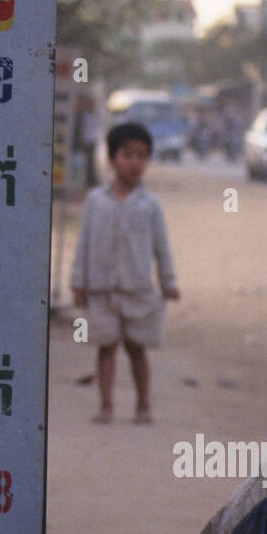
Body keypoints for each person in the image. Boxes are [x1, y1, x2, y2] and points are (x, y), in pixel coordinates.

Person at [70, 122, 180, 424]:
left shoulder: (150, 205)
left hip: (137, 289)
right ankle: (106, 406)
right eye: (128, 154)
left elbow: (161, 247)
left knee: (136, 350)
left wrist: (168, 283)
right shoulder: (96, 201)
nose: (135, 162)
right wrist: (78, 282)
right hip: (101, 289)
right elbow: (84, 243)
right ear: (112, 158)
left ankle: (143, 404)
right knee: (106, 349)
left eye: (142, 156)